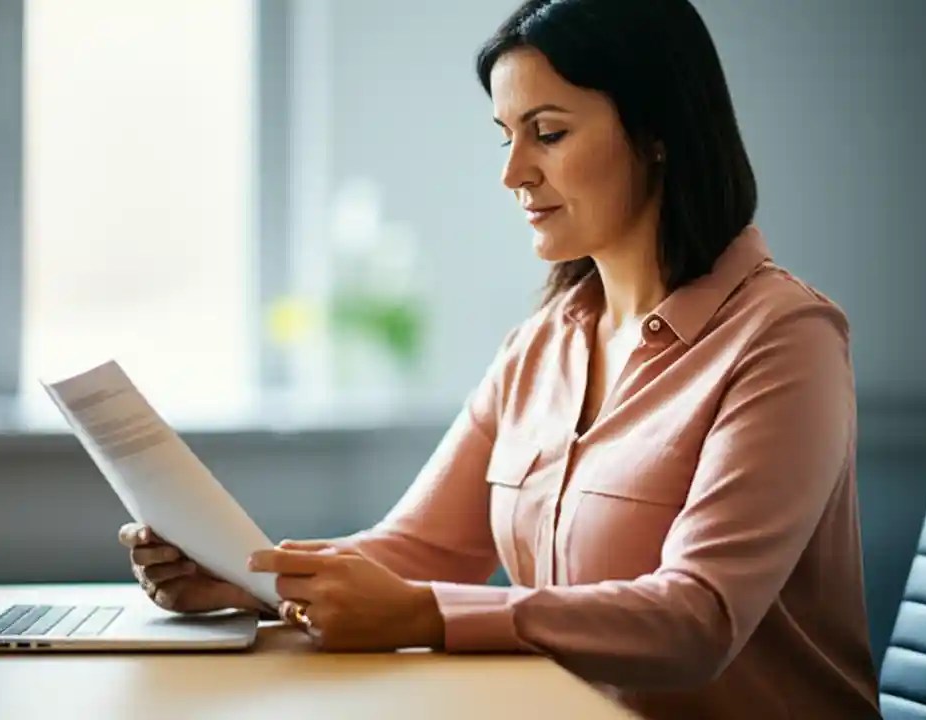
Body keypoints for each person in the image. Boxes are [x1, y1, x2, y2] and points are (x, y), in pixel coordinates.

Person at [118, 0, 881, 717]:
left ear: (658, 131)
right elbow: (421, 548)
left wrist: (422, 613)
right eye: (505, 135)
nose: (513, 173)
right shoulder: (543, 342)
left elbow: (697, 619)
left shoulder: (786, 339)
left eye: (547, 133)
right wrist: (244, 576)